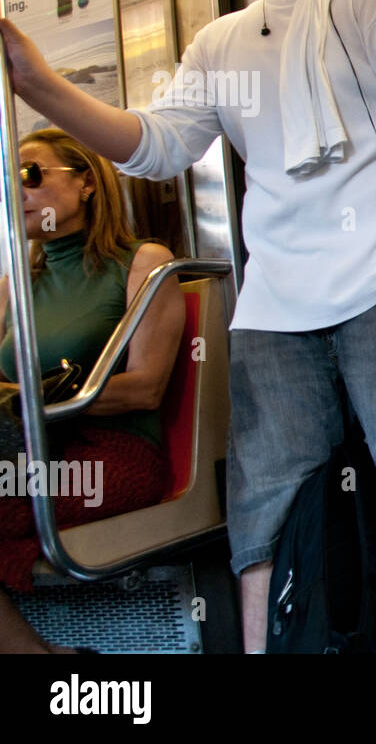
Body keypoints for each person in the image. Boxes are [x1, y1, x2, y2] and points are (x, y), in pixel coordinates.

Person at [0, 0, 376, 654]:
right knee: (267, 490)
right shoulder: (224, 41)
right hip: (274, 304)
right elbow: (156, 145)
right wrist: (39, 86)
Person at [0, 130, 185, 653]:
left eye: (30, 175)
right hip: (33, 454)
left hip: (112, 454)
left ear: (85, 183)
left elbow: (146, 388)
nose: (18, 191)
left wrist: (32, 401)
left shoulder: (144, 263)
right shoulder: (16, 284)